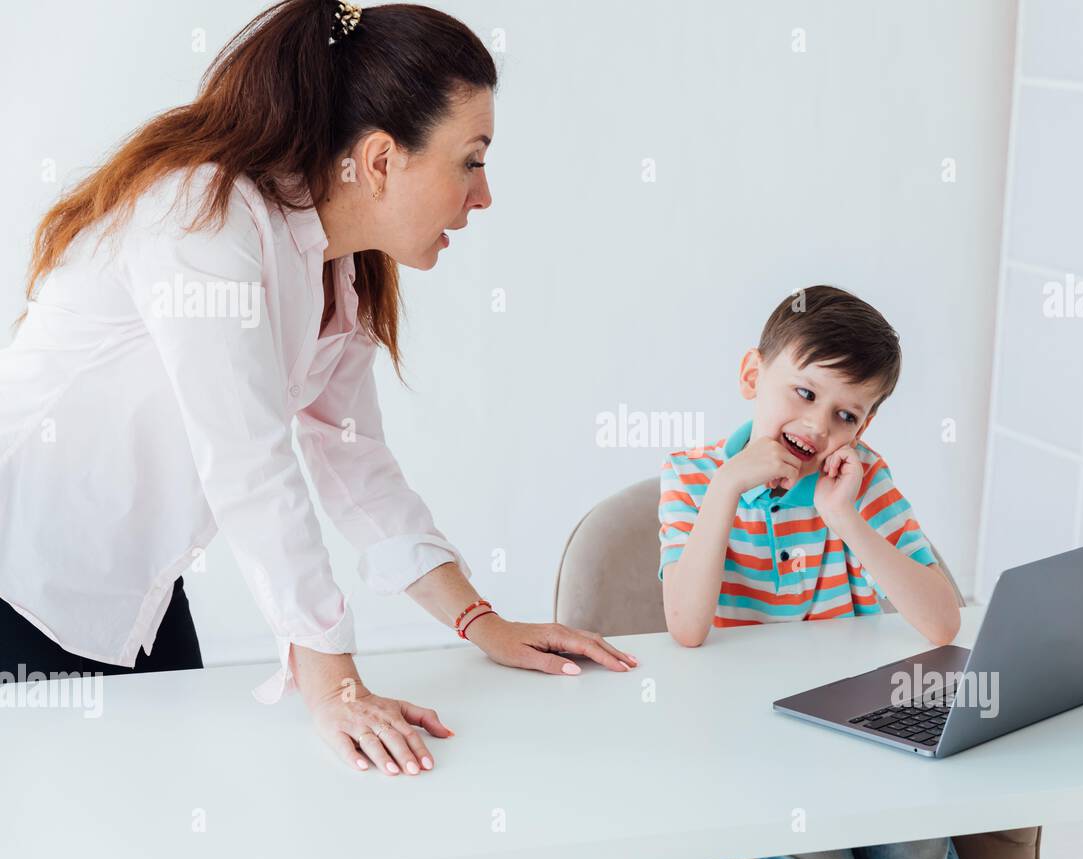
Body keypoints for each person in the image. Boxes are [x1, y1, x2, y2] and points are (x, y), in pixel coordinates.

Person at [0, 0, 636, 779]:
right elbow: (248, 459)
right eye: (471, 159)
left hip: (131, 597)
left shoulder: (340, 268)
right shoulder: (203, 219)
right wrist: (333, 681)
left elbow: (355, 463)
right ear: (378, 160)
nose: (484, 194)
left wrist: (481, 623)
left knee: (171, 801)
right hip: (21, 579)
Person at [657, 285, 961, 859]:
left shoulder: (861, 483)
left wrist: (843, 515)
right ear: (753, 376)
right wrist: (726, 488)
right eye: (804, 393)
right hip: (750, 734)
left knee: (917, 839)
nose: (818, 426)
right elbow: (687, 627)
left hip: (859, 723)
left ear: (863, 427)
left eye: (844, 414)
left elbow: (942, 623)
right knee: (810, 850)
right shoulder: (693, 477)